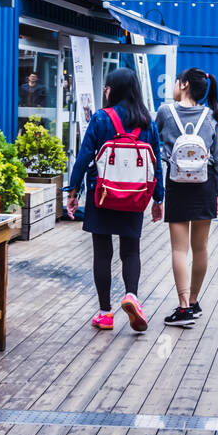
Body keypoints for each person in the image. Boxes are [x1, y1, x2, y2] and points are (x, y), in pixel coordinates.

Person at [64, 67, 164, 331]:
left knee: (102, 253)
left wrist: (73, 191)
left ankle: (105, 313)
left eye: (107, 86)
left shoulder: (100, 119)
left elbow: (84, 156)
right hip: (135, 196)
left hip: (103, 194)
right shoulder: (147, 122)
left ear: (114, 89)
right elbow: (156, 163)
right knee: (131, 251)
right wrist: (158, 198)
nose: (105, 91)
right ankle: (131, 295)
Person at [155, 67, 218, 326]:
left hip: (176, 184)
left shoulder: (165, 112)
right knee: (201, 248)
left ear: (184, 84)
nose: (173, 86)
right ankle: (194, 302)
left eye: (176, 82)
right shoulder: (210, 116)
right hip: (204, 185)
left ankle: (183, 306)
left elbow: (155, 148)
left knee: (179, 248)